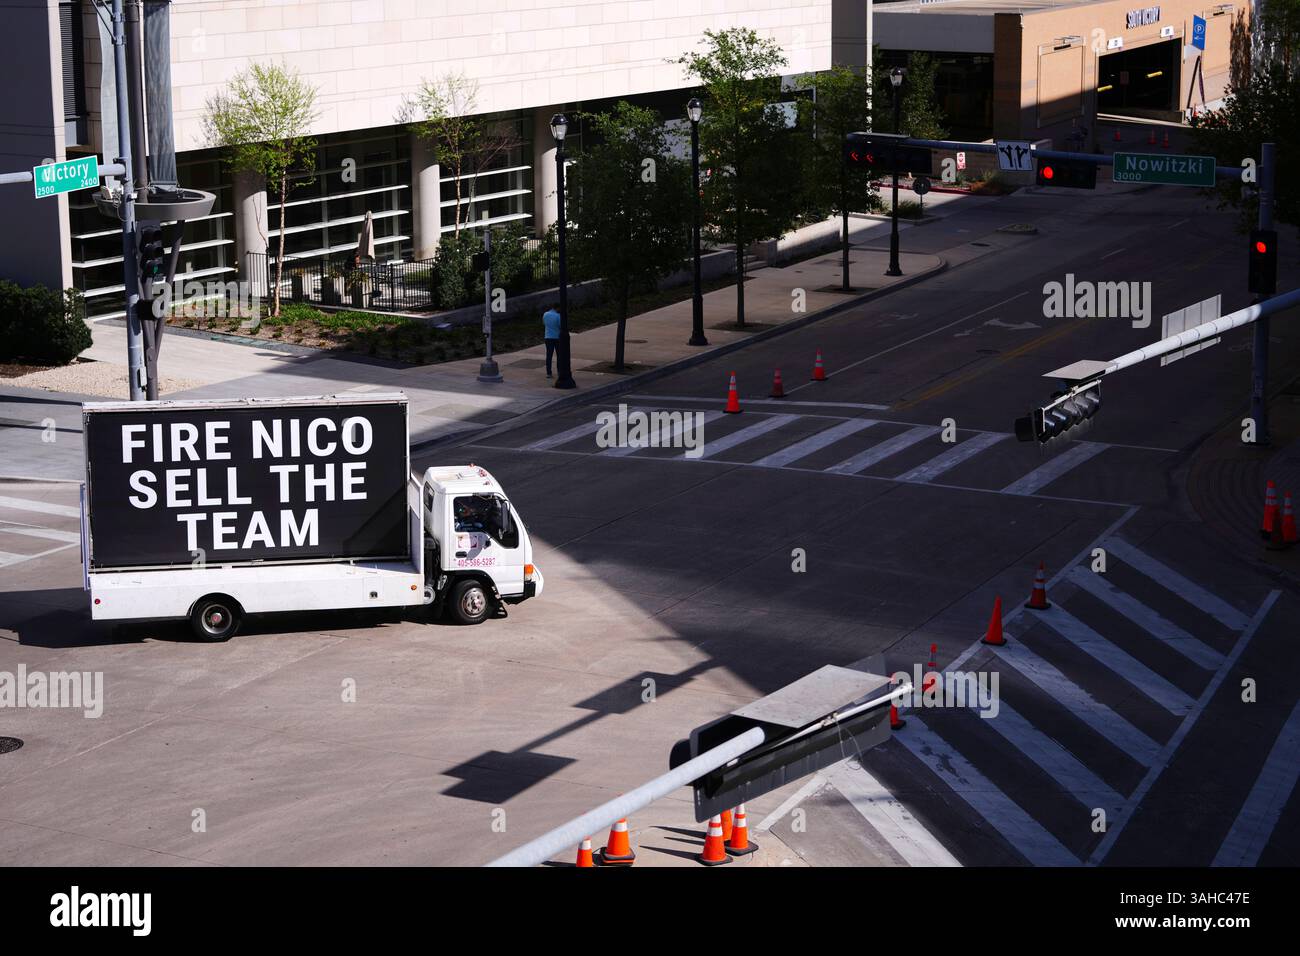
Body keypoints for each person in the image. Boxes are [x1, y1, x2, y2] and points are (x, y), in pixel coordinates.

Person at [542, 303, 562, 378]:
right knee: (559, 355)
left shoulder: (545, 314)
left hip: (548, 337)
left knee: (549, 355)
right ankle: (559, 371)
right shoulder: (558, 316)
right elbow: (560, 326)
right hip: (557, 337)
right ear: (557, 308)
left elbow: (544, 323)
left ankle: (548, 373)